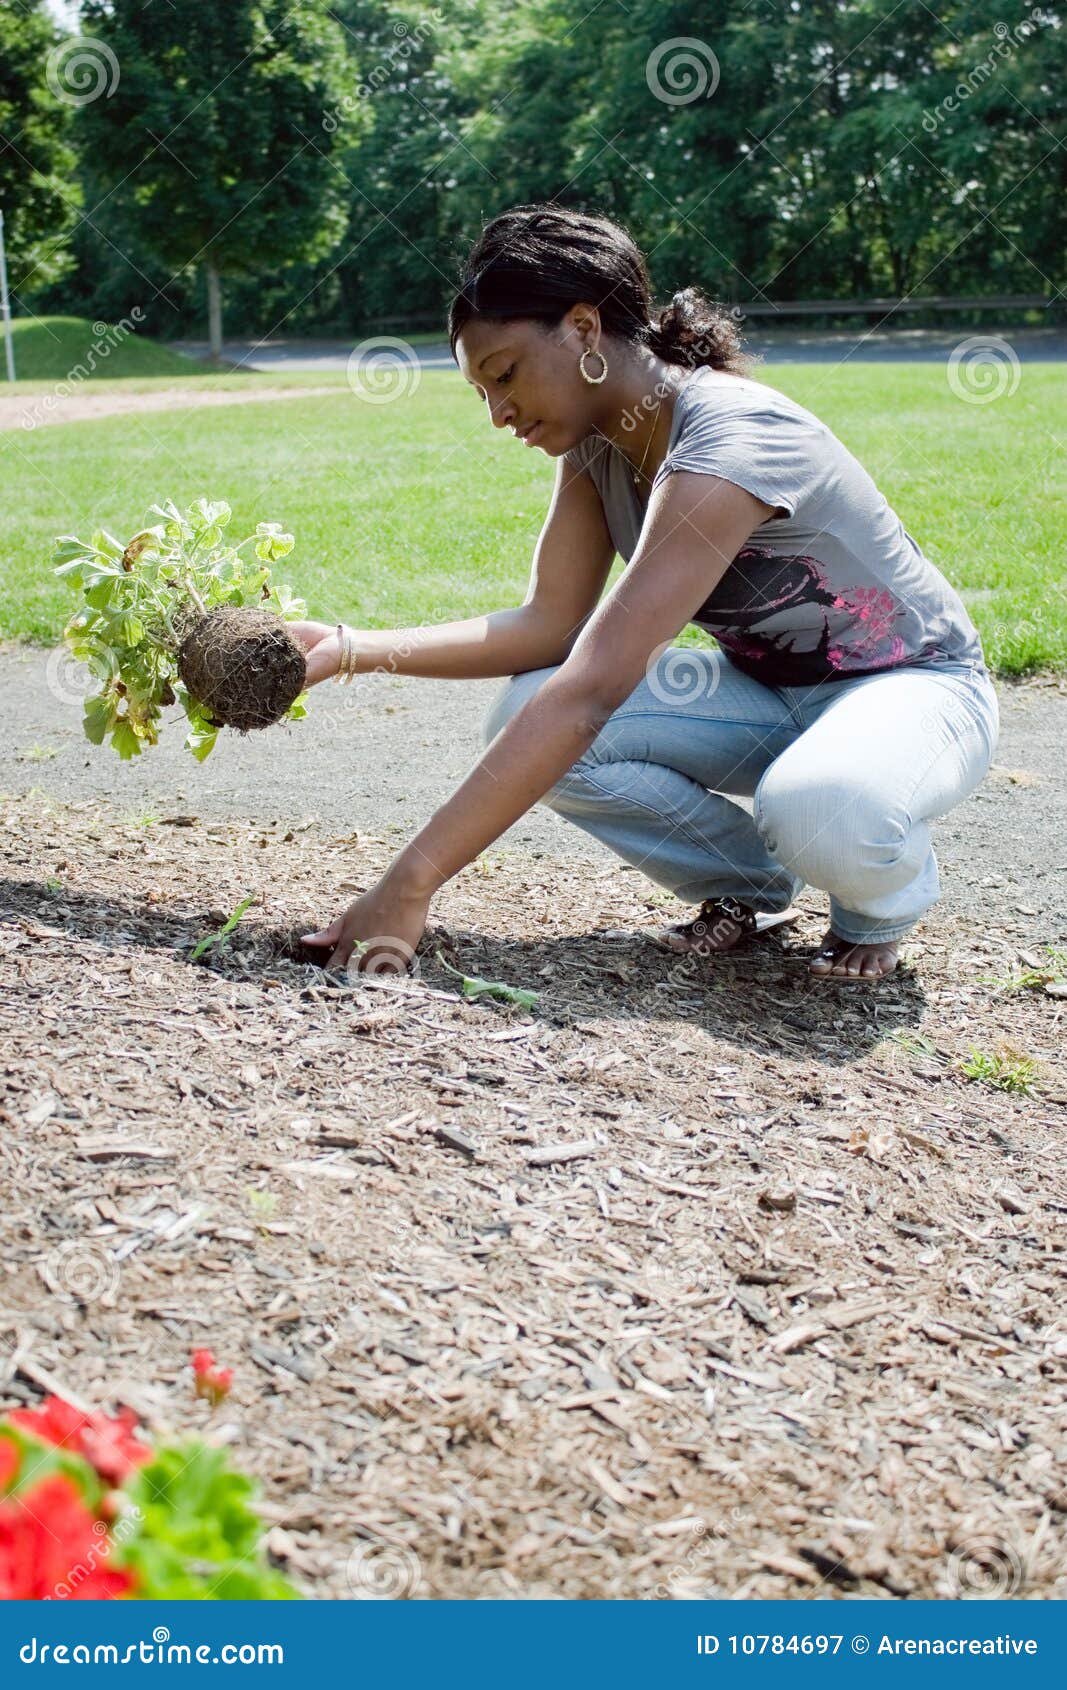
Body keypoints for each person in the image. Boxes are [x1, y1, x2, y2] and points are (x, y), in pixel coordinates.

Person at [295, 203, 999, 982]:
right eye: (481, 393)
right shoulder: (597, 451)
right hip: (772, 698)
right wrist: (348, 648)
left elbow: (594, 688)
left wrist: (408, 885)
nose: (497, 414)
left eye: (504, 375)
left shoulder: (732, 438)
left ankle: (881, 905)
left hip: (918, 688)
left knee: (815, 807)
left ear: (584, 328)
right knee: (525, 713)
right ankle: (744, 889)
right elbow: (549, 628)